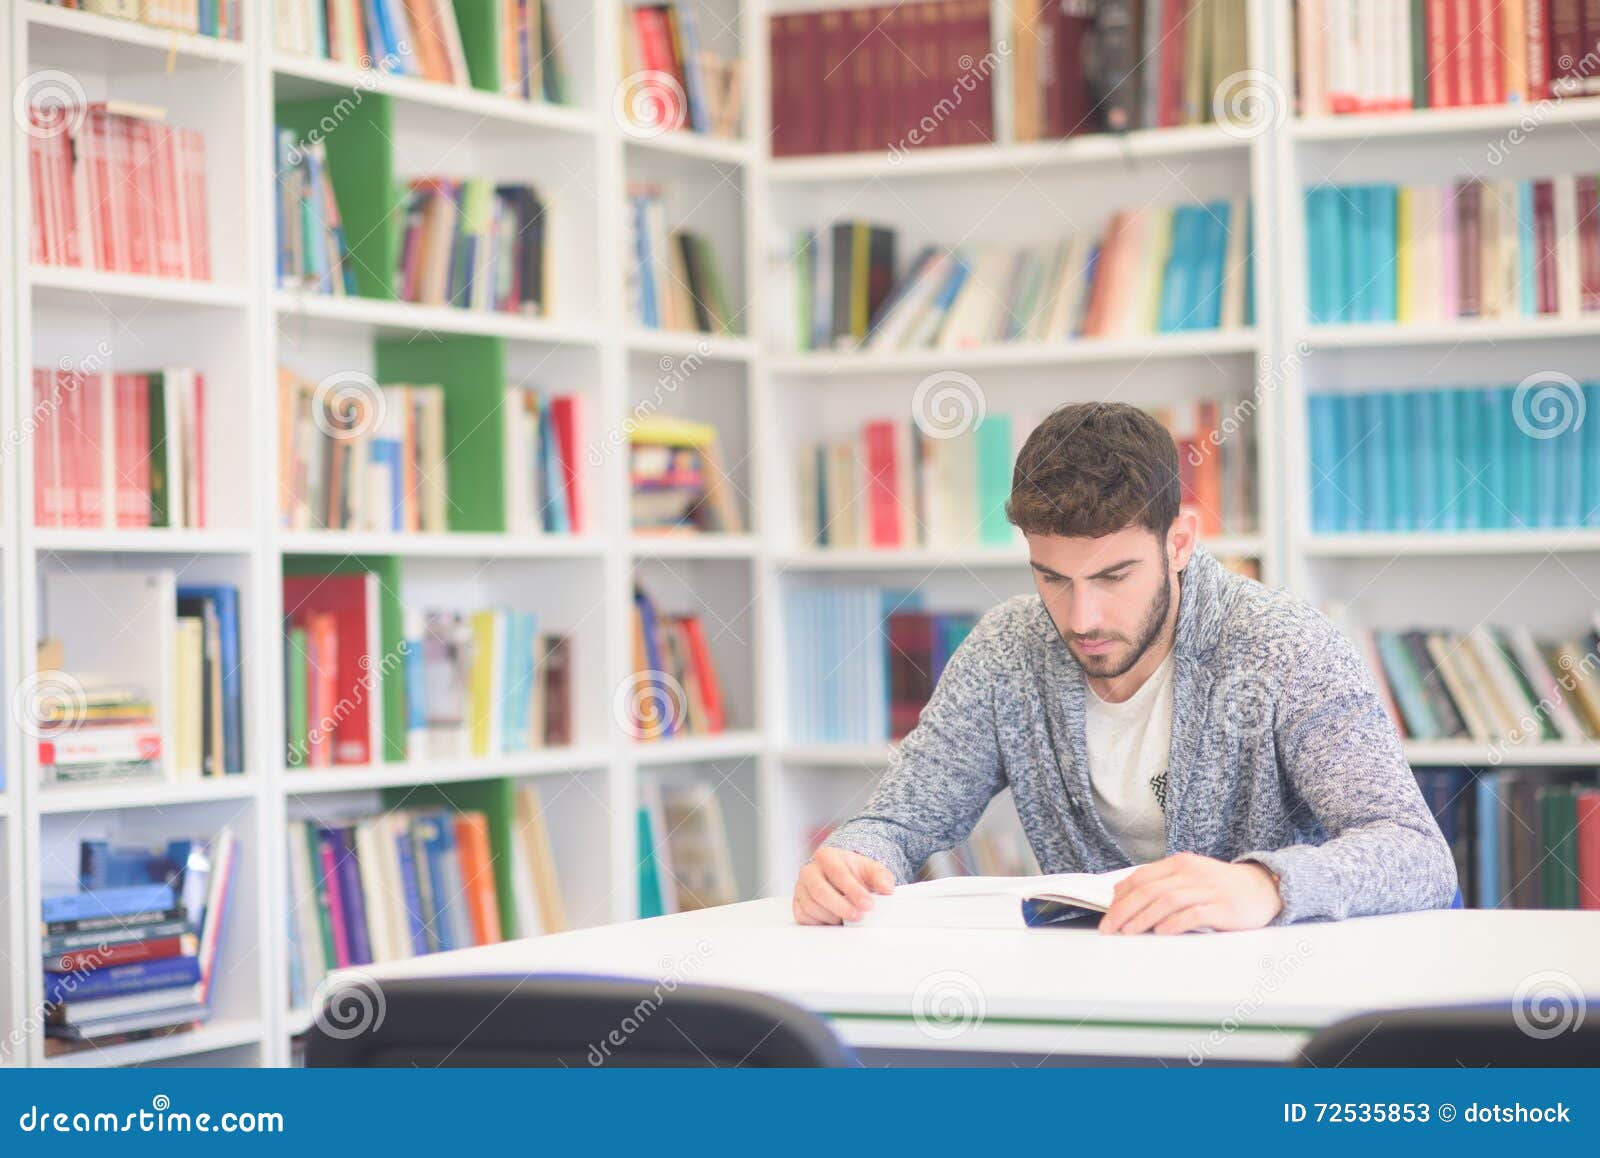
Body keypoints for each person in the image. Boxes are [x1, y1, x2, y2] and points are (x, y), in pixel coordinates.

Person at [793, 402, 1457, 934]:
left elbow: (1418, 856)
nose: (1082, 618)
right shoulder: (1007, 652)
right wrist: (852, 863)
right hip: (1094, 1003)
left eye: (1114, 576)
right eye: (1053, 579)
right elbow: (897, 823)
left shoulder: (1285, 647)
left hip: (1271, 1004)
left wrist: (1265, 885)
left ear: (1179, 543)